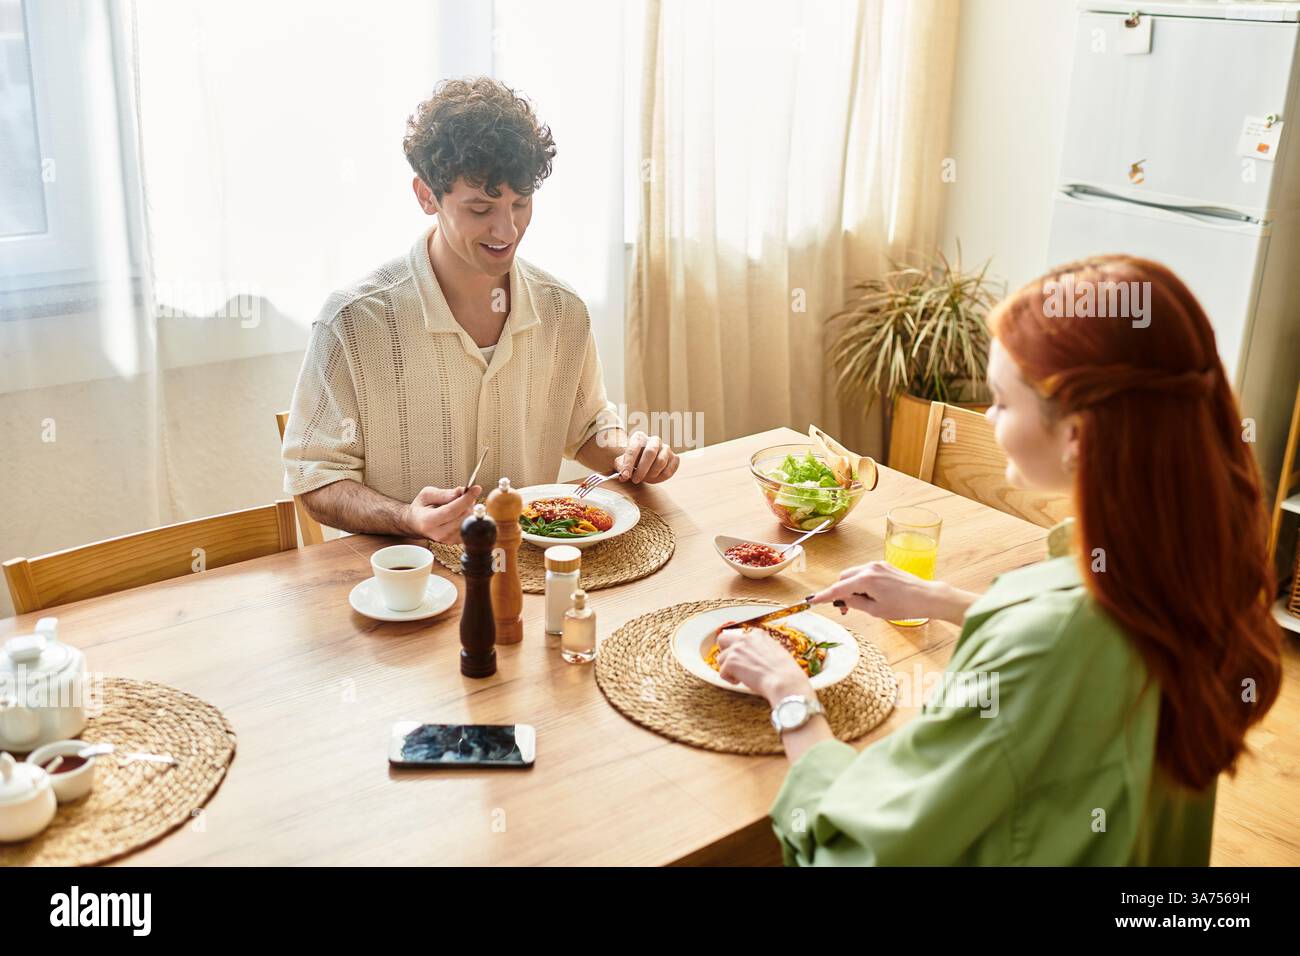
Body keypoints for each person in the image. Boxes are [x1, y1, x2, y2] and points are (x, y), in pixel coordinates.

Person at [716, 255, 1283, 865]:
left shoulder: (1043, 640)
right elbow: (1088, 645)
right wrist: (942, 599)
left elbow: (853, 859)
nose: (986, 417)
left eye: (1002, 403)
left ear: (1077, 437)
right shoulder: (1187, 565)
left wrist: (790, 695)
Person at [281, 77, 678, 543]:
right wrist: (407, 517)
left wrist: (629, 454)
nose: (506, 229)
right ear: (427, 196)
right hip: (410, 582)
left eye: (520, 204)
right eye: (480, 208)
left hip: (530, 573)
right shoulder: (354, 320)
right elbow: (316, 475)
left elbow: (587, 425)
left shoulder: (562, 310)